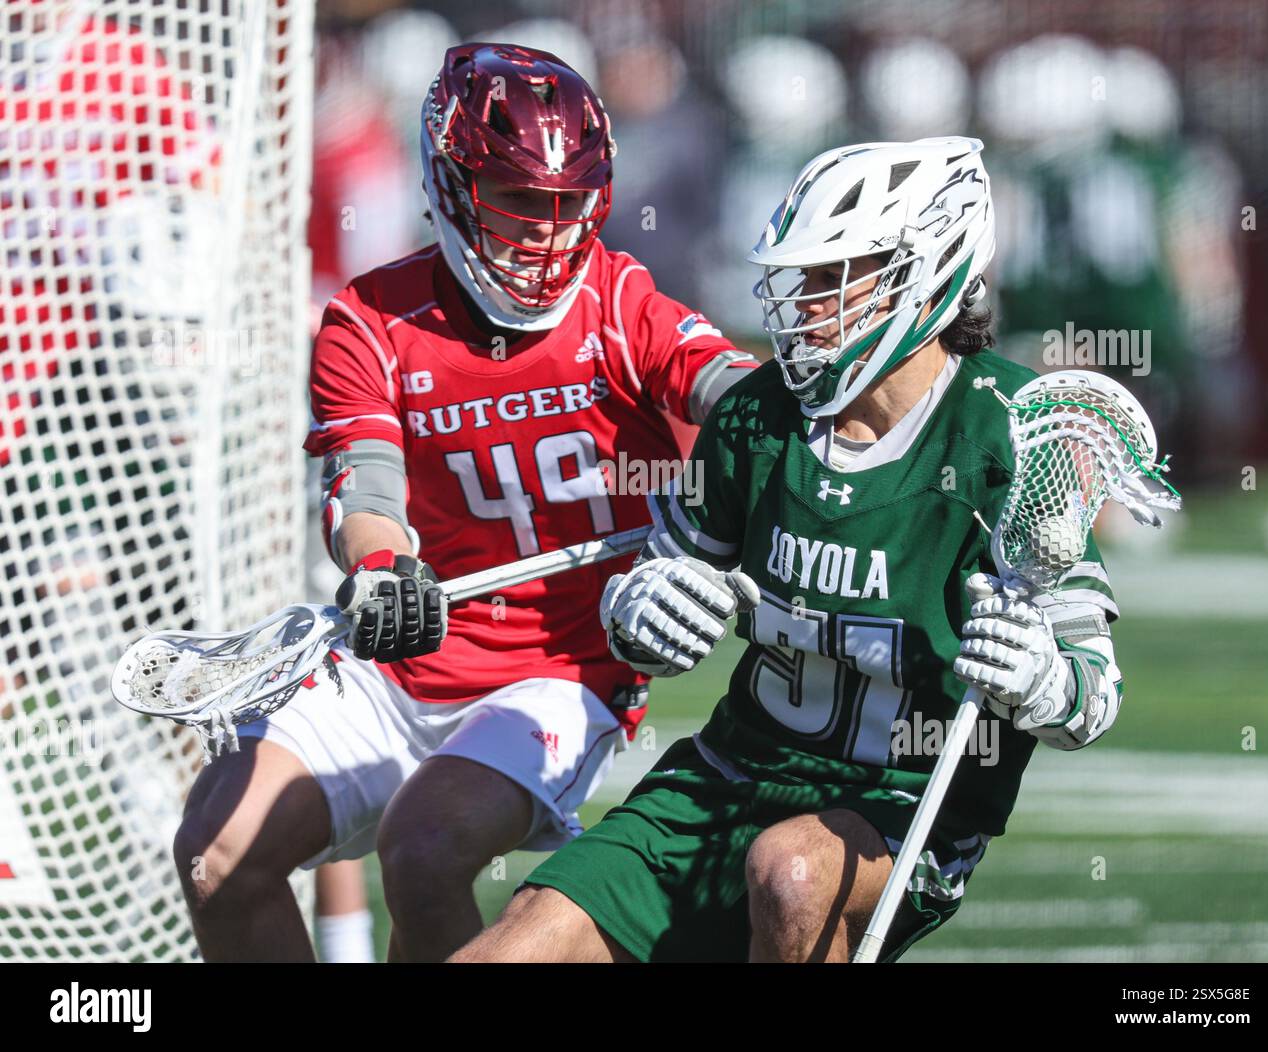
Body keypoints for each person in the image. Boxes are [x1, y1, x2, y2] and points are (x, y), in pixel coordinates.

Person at [453, 137, 1126, 963]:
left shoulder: (1010, 430)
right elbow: (661, 578)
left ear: (924, 275)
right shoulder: (758, 416)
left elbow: (1093, 694)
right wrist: (640, 611)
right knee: (503, 953)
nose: (801, 307)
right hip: (730, 776)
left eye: (830, 279)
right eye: (796, 280)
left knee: (792, 872)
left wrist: (1043, 680)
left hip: (899, 804)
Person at [171, 42, 755, 963]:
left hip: (555, 670)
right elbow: (365, 489)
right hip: (400, 664)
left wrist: (803, 411)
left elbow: (734, 393)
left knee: (425, 850)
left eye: (569, 206)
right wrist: (380, 565)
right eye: (521, 200)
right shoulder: (372, 321)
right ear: (448, 182)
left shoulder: (619, 301)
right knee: (218, 851)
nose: (548, 235)